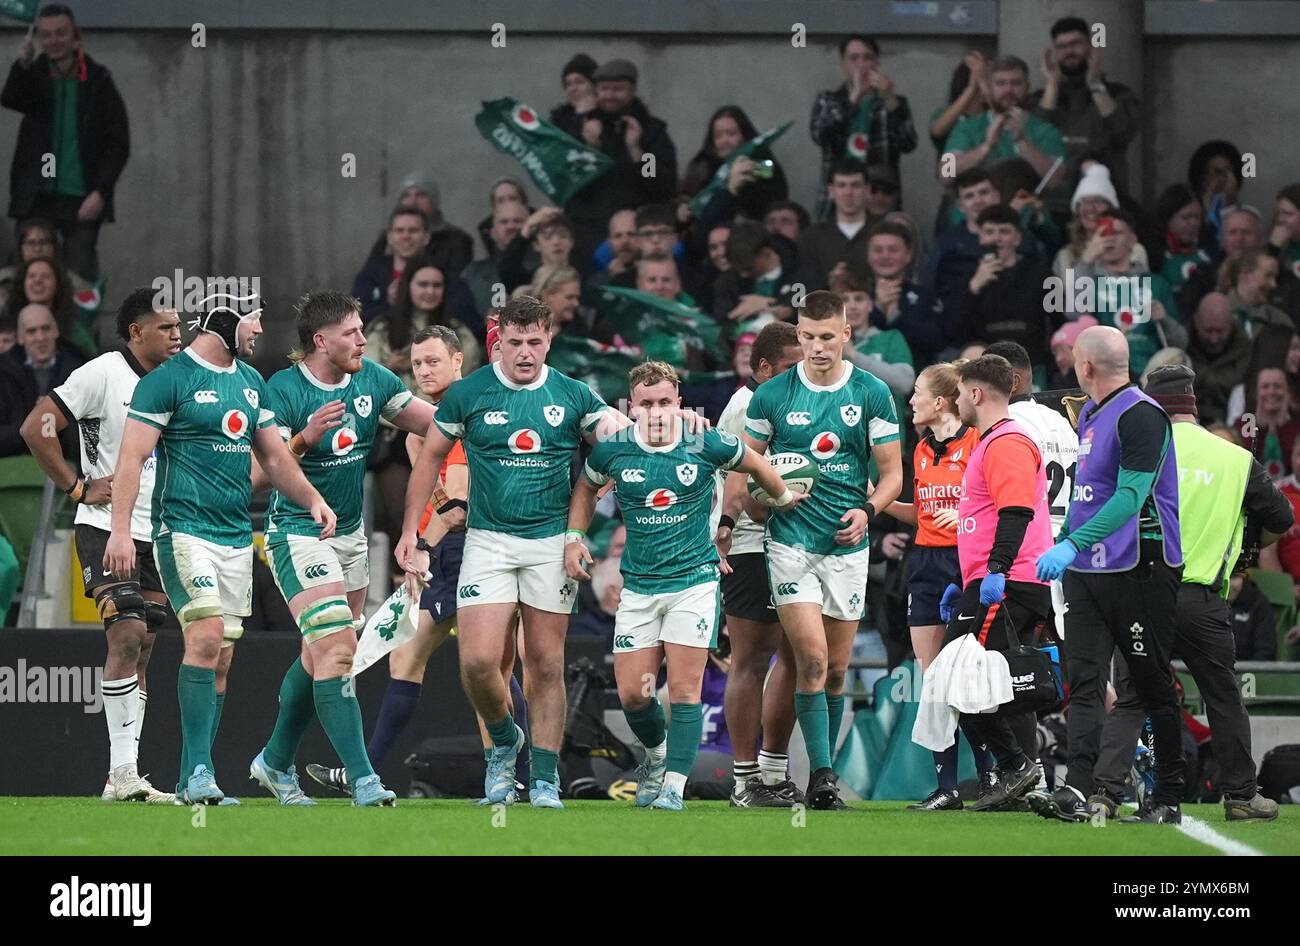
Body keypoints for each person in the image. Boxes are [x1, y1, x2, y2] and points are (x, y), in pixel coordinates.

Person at [396, 294, 706, 809]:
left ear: (549, 339)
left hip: (548, 545)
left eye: (534, 342)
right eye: (514, 342)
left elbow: (624, 434)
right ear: (500, 340)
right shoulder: (469, 393)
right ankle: (502, 743)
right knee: (477, 662)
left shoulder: (574, 395)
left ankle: (543, 778)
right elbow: (428, 458)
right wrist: (413, 530)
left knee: (543, 665)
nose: (524, 352)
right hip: (488, 541)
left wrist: (681, 425)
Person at [104, 291, 338, 805]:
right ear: (225, 322)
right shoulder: (167, 381)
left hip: (235, 536)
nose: (259, 333)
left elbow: (276, 460)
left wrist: (312, 498)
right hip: (183, 530)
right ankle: (203, 771)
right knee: (206, 637)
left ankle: (192, 779)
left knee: (223, 659)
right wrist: (121, 530)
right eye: (253, 322)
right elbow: (130, 458)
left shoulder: (252, 383)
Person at [566, 360, 806, 809]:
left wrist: (783, 498)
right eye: (646, 404)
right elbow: (585, 488)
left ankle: (673, 786)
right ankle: (657, 756)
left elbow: (755, 461)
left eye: (664, 402)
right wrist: (574, 538)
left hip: (694, 582)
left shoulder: (704, 441)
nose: (656, 412)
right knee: (634, 695)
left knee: (683, 689)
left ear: (678, 403)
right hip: (638, 587)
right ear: (631, 407)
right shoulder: (613, 450)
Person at [307, 325, 531, 798]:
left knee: (490, 670)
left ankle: (518, 776)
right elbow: (439, 502)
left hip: (480, 550)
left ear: (458, 362)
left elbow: (458, 507)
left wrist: (418, 549)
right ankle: (366, 773)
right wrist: (419, 547)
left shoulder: (474, 418)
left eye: (434, 361)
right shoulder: (419, 433)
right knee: (410, 659)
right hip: (442, 553)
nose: (424, 371)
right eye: (416, 364)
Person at [248, 290, 437, 807]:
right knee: (337, 651)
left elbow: (433, 424)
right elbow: (255, 476)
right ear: (320, 341)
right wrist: (304, 439)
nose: (362, 340)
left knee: (319, 655)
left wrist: (488, 410)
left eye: (360, 331)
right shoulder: (282, 390)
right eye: (352, 333)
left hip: (352, 538)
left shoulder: (372, 380)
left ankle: (274, 762)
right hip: (296, 533)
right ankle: (364, 778)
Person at [1090, 365, 1290, 822]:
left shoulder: (1133, 449)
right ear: (1194, 403)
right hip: (1202, 599)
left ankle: (1103, 793)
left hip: (1142, 593)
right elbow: (1281, 520)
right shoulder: (1235, 458)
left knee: (1133, 697)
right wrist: (1240, 548)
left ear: (1152, 405)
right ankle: (1241, 795)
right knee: (1223, 696)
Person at [738, 289, 904, 808]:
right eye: (807, 337)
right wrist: (767, 502)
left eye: (827, 337)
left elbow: (893, 474)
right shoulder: (771, 396)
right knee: (809, 660)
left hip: (847, 547)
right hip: (789, 545)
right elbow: (747, 471)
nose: (816, 347)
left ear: (846, 334)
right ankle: (823, 777)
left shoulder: (872, 392)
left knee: (834, 669)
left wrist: (869, 511)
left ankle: (818, 773)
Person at [18, 287, 179, 803]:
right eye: (166, 328)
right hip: (106, 525)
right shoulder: (102, 372)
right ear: (136, 331)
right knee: (126, 633)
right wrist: (76, 486)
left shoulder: (178, 380)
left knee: (146, 645)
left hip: (161, 528)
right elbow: (37, 426)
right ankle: (123, 771)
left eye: (180, 327)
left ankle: (122, 775)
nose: (178, 336)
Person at [1032, 325, 1186, 824]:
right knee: (1085, 678)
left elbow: (1130, 495)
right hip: (1087, 568)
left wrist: (1074, 541)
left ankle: (1168, 793)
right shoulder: (1094, 416)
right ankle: (1077, 787)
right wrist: (1065, 544)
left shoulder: (1142, 415)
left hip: (1140, 564)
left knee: (1149, 679)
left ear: (1085, 367)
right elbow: (1089, 494)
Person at [934, 354, 1056, 811]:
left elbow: (1016, 512)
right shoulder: (997, 441)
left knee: (955, 678)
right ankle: (1025, 780)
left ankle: (1016, 766)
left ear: (976, 394)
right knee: (1003, 683)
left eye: (962, 392)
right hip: (1000, 579)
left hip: (1007, 581)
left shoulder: (1005, 442)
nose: (957, 400)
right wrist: (967, 579)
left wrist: (996, 571)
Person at [884, 363, 990, 809]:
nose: (911, 401)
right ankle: (946, 788)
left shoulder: (979, 443)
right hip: (924, 564)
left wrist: (963, 517)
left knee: (970, 677)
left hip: (964, 563)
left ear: (941, 402)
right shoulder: (922, 450)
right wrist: (878, 497)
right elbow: (923, 513)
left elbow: (994, 505)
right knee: (933, 681)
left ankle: (992, 777)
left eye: (918, 394)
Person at [713, 321, 805, 806]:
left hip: (793, 542)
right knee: (750, 659)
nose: (799, 374)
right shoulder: (745, 407)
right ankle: (747, 780)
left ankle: (772, 773)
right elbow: (745, 491)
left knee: (795, 655)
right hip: (752, 544)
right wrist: (785, 499)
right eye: (791, 366)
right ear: (764, 366)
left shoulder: (786, 400)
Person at [1, 3, 129, 281]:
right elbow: (10, 98)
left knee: (78, 275)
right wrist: (22, 64)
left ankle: (80, 325)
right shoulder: (34, 74)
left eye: (60, 33)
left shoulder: (97, 80)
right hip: (36, 196)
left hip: (81, 198)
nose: (53, 41)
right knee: (30, 275)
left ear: (75, 36)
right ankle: (33, 325)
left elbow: (118, 143)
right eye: (46, 35)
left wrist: (101, 191)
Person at [564, 58, 678, 268]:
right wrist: (589, 149)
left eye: (618, 89)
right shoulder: (581, 128)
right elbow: (565, 183)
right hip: (592, 238)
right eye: (604, 89)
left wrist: (638, 153)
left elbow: (662, 185)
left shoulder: (651, 131)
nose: (610, 96)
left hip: (640, 242)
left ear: (632, 91)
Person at [1032, 16, 1140, 204]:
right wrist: (1051, 85)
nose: (1069, 51)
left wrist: (1095, 84)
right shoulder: (1041, 98)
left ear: (1091, 47)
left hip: (1103, 200)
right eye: (1061, 47)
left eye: (1075, 43)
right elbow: (1034, 140)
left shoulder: (1118, 94)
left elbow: (1123, 133)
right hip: (1052, 203)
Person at [809, 34, 917, 221]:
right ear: (843, 65)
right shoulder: (828, 100)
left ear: (876, 64)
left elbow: (908, 144)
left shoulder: (893, 103)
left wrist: (891, 100)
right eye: (854, 58)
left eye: (867, 58)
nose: (861, 64)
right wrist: (854, 98)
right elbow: (821, 136)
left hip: (881, 197)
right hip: (837, 202)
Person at [946, 205, 1056, 371]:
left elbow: (1057, 319)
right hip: (985, 364)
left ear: (1017, 238)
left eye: (1004, 232)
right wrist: (973, 287)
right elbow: (952, 330)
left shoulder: (1040, 273)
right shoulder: (965, 276)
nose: (997, 238)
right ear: (980, 237)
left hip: (1031, 361)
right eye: (989, 232)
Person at [366, 257, 484, 390]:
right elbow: (365, 377)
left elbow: (467, 383)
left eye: (437, 285)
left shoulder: (460, 334)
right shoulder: (383, 329)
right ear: (408, 286)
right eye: (423, 284)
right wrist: (390, 366)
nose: (430, 291)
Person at [943, 56, 1065, 182]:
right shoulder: (966, 127)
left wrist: (1022, 142)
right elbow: (945, 174)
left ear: (1027, 87)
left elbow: (1056, 179)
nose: (1008, 89)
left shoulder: (1045, 129)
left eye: (1016, 83)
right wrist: (986, 146)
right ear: (989, 88)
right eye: (1000, 83)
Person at [0, 301, 83, 456]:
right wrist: (33, 422)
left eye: (45, 329)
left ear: (56, 331)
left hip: (68, 469)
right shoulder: (3, 373)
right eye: (31, 331)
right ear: (20, 337)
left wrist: (59, 415)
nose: (40, 337)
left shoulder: (80, 371)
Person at [681, 105, 789, 225]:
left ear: (744, 135)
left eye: (731, 134)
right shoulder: (702, 167)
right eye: (718, 136)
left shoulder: (763, 162)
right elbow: (690, 200)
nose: (724, 140)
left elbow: (773, 198)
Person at [864, 219, 946, 365]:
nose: (885, 255)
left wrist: (895, 317)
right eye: (878, 250)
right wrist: (878, 309)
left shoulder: (924, 296)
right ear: (868, 255)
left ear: (908, 255)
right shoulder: (855, 295)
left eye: (893, 250)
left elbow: (937, 341)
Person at [797, 159, 874, 291]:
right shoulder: (811, 237)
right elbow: (800, 286)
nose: (848, 192)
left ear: (867, 190)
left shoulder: (883, 232)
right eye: (841, 185)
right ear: (831, 191)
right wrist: (829, 282)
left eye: (855, 185)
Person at [352, 206, 433, 323]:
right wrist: (387, 303)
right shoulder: (368, 278)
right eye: (399, 230)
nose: (406, 236)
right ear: (389, 237)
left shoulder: (443, 276)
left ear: (426, 237)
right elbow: (353, 323)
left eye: (413, 231)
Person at [3, 254, 90, 357]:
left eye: (45, 276)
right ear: (22, 284)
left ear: (58, 285)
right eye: (31, 276)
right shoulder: (7, 326)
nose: (38, 280)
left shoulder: (75, 330)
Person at [1185, 292, 1251, 426]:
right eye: (1208, 331)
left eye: (1220, 331)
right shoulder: (1182, 342)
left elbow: (1239, 382)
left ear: (1232, 324)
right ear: (1196, 322)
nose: (1214, 339)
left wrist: (1201, 378)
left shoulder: (1244, 347)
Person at [462, 200, 528, 317]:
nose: (511, 226)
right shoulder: (474, 273)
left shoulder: (542, 266)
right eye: (504, 222)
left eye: (517, 221)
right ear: (492, 232)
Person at [1220, 250, 1290, 340]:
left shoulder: (1280, 321)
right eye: (1268, 276)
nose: (1274, 284)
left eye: (1275, 278)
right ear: (1246, 274)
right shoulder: (1214, 313)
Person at [548, 53, 597, 136]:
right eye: (568, 84)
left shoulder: (607, 115)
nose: (573, 89)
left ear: (594, 85)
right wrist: (578, 116)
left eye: (579, 82)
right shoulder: (559, 117)